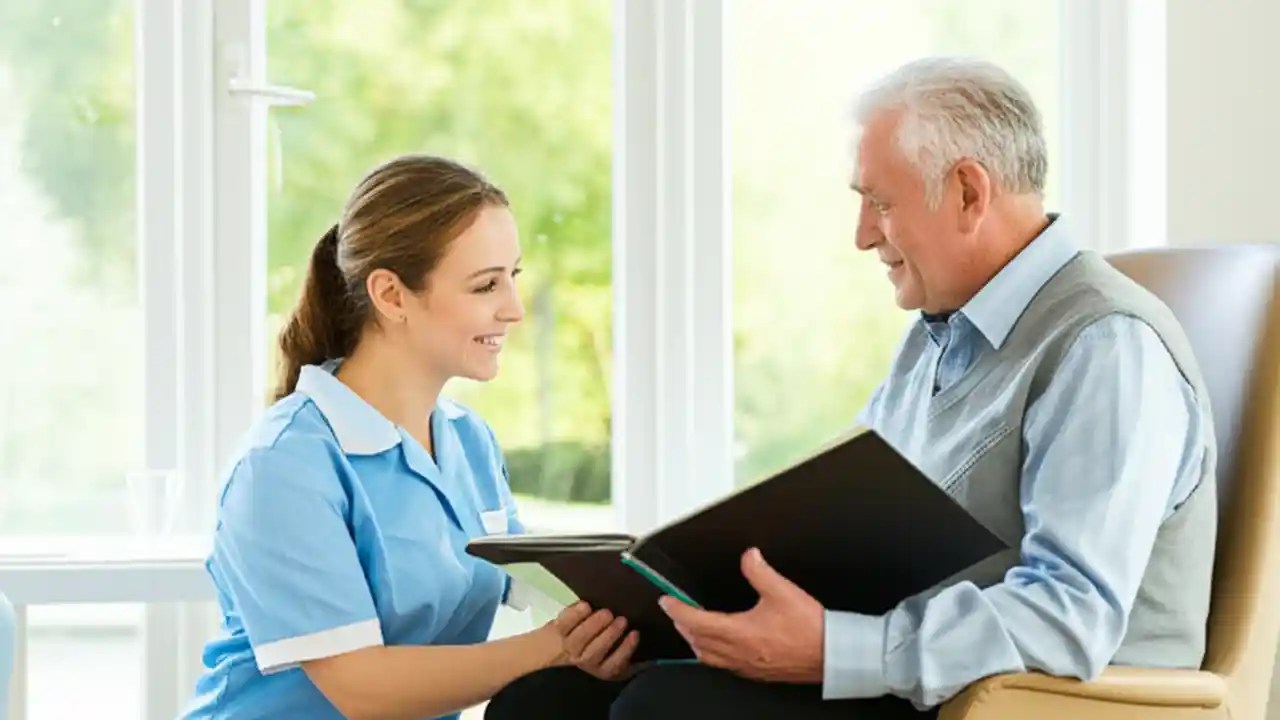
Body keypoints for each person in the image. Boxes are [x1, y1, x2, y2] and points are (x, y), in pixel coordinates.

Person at [486, 57, 1216, 720]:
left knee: (667, 711)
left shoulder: (1105, 346)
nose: (863, 234)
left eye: (881, 202)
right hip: (909, 681)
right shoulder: (939, 333)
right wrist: (696, 612)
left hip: (1018, 703)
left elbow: (1070, 615)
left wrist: (837, 652)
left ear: (968, 191)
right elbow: (841, 532)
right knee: (546, 702)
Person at [181, 155, 639, 719]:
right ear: (391, 295)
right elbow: (363, 688)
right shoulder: (284, 466)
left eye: (512, 278)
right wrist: (550, 649)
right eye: (485, 286)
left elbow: (538, 579)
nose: (514, 309)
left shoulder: (467, 442)